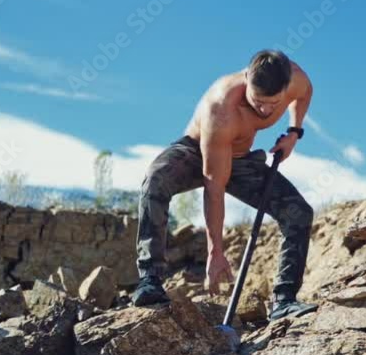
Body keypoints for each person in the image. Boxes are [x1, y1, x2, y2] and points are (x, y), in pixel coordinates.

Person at [130, 49, 318, 322]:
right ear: (247, 79)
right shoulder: (221, 108)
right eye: (258, 101)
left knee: (298, 212)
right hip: (196, 153)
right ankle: (150, 280)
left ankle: (284, 300)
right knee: (156, 180)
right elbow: (214, 188)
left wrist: (294, 132)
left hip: (240, 159)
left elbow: (305, 93)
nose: (265, 110)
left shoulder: (296, 79)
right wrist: (215, 251)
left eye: (273, 104)